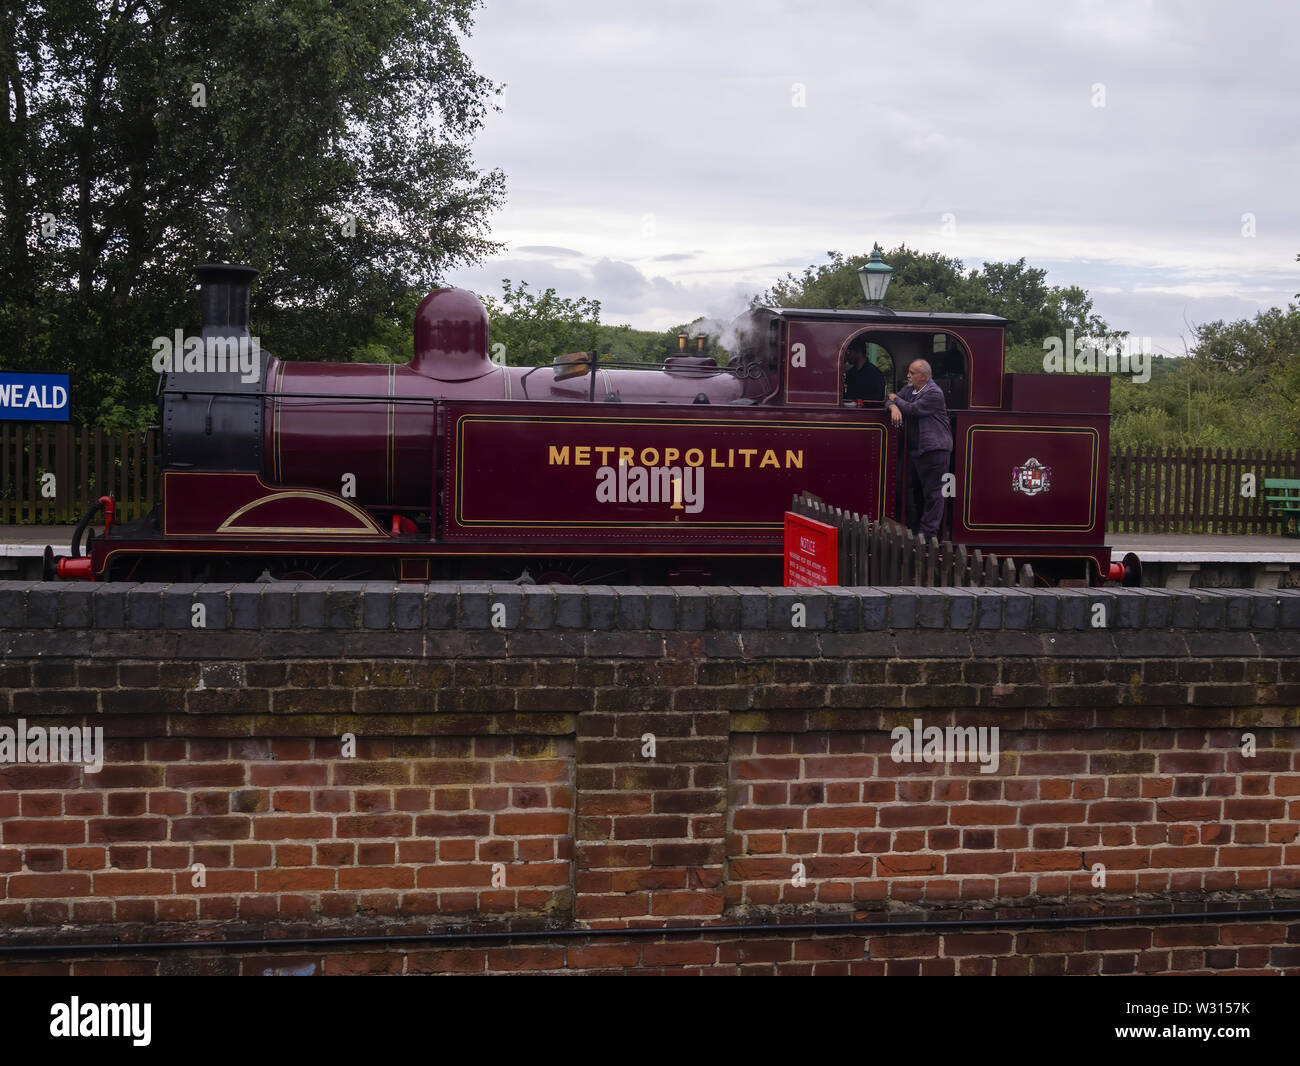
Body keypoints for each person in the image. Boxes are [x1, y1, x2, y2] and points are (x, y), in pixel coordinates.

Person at [888, 359, 953, 540]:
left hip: (935, 448)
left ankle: (928, 535)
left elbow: (912, 409)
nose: (908, 376)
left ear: (923, 376)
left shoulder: (934, 393)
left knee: (934, 495)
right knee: (913, 489)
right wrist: (893, 406)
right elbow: (890, 398)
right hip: (918, 448)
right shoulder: (910, 390)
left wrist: (895, 399)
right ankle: (916, 530)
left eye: (912, 372)